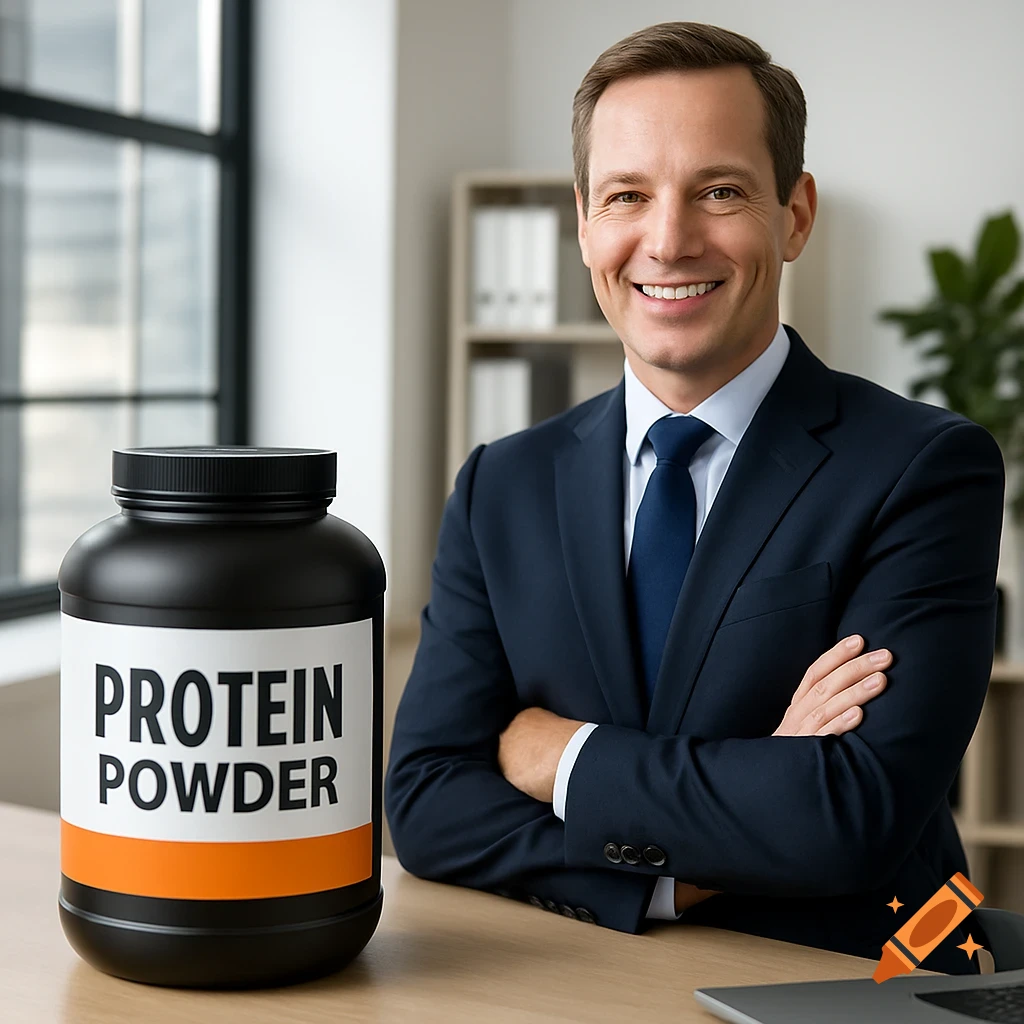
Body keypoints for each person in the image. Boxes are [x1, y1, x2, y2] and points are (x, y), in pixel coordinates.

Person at [385, 22, 1003, 976]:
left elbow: (852, 817)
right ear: (585, 222)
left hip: (857, 980)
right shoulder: (501, 486)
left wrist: (567, 760)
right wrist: (698, 857)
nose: (667, 240)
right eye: (628, 195)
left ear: (794, 215)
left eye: (719, 192)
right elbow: (427, 805)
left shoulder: (924, 468)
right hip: (576, 977)